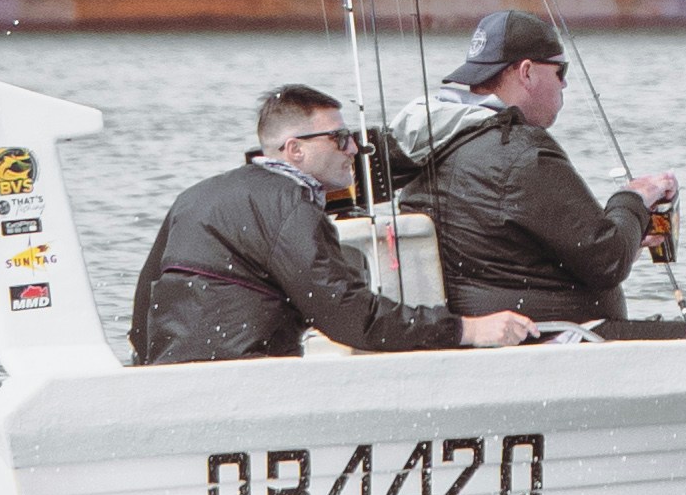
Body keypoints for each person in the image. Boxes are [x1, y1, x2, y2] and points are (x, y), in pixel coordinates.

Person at [128, 83, 542, 369]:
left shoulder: (195, 196)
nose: (356, 148)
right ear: (295, 151)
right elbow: (351, 318)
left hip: (176, 372)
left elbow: (145, 306)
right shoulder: (290, 204)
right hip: (249, 380)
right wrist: (469, 329)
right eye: (340, 138)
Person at [397, 13, 686, 336]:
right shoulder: (521, 150)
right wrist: (634, 198)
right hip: (550, 335)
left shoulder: (435, 142)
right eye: (560, 71)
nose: (566, 82)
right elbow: (607, 260)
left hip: (498, 323)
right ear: (527, 72)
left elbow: (513, 248)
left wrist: (631, 231)